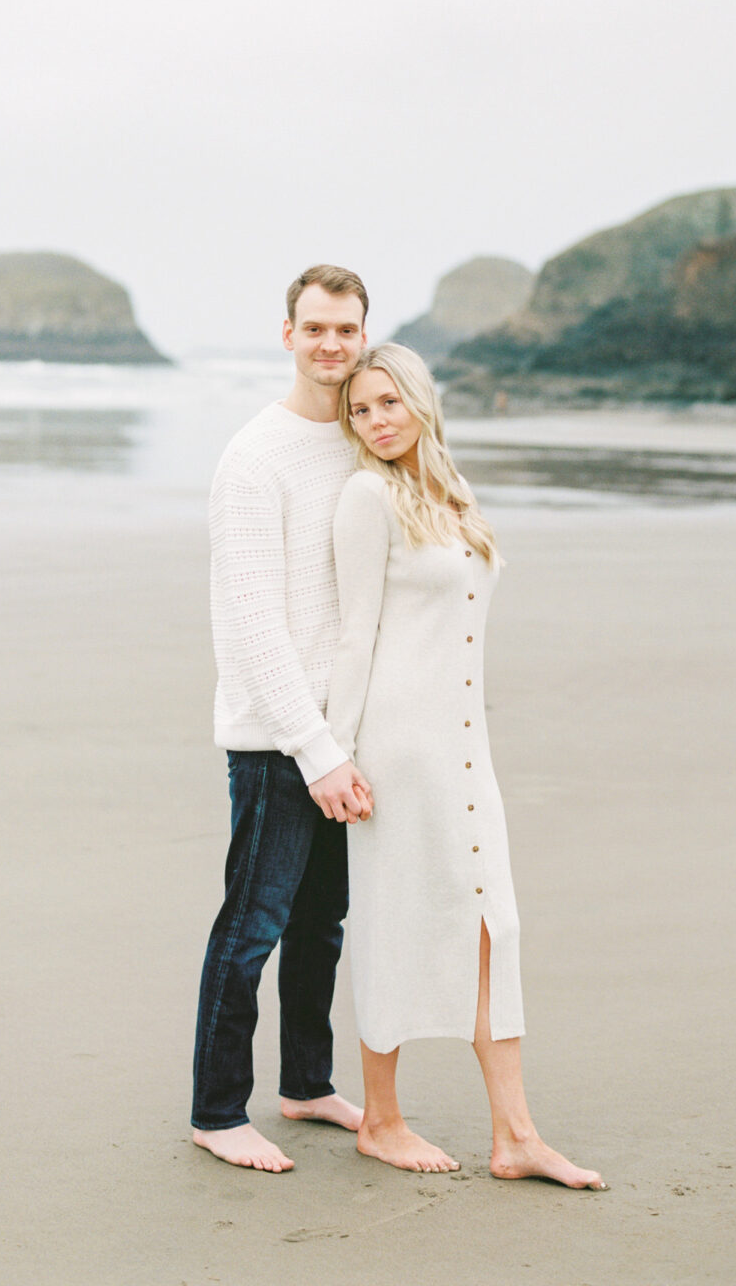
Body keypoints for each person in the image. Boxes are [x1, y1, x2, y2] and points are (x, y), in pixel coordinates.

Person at [326, 343, 607, 1188]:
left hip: (463, 746)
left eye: (387, 403)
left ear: (420, 401)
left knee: (494, 928)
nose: (376, 421)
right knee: (395, 919)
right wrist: (333, 758)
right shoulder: (366, 497)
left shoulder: (449, 492)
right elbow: (355, 635)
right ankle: (380, 1118)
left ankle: (515, 1136)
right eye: (360, 410)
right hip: (399, 751)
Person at [191, 266, 375, 1173]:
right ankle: (218, 1112)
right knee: (252, 926)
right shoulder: (254, 457)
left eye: (347, 330)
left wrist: (352, 739)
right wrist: (314, 750)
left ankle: (306, 1083)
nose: (332, 345)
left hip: (345, 736)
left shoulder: (362, 440)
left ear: (364, 335)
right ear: (289, 335)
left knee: (322, 924)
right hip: (277, 740)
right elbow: (256, 626)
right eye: (316, 329)